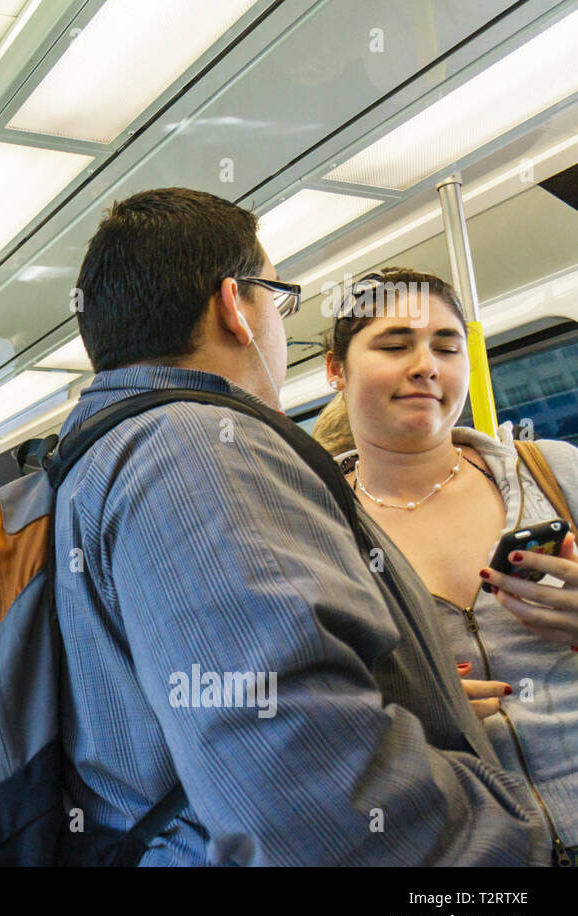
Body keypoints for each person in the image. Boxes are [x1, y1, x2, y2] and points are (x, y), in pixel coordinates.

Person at [56, 187, 549, 865]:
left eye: (444, 345)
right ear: (236, 306)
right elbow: (302, 780)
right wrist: (503, 851)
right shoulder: (199, 453)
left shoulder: (102, 456)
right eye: (279, 299)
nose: (426, 366)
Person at [325, 267, 578, 865]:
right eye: (394, 344)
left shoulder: (555, 474)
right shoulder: (316, 524)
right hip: (467, 851)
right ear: (337, 369)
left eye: (446, 345)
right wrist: (398, 706)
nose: (426, 364)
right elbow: (310, 704)